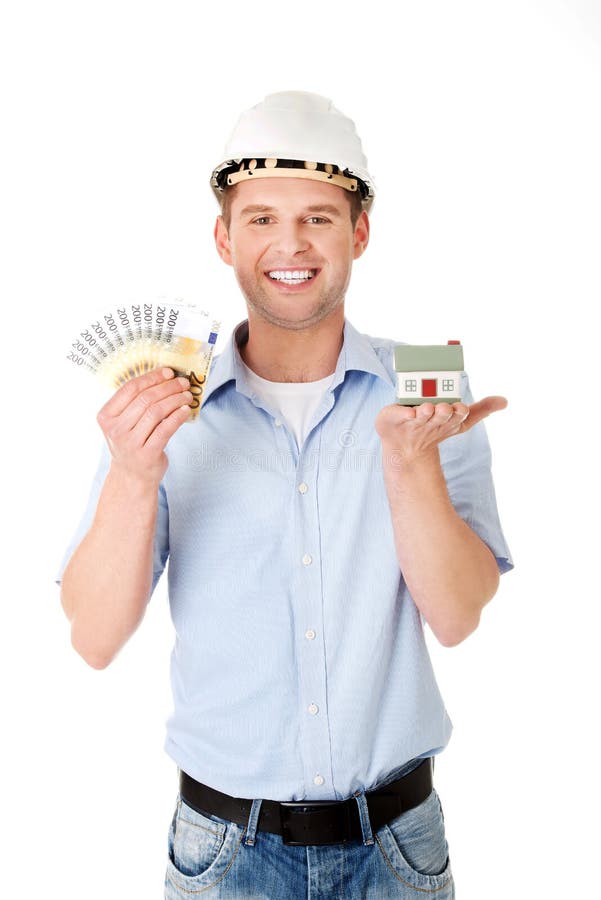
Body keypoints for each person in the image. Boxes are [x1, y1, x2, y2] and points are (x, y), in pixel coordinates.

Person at [56, 90, 513, 899]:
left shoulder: (424, 393)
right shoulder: (164, 402)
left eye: (319, 218)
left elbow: (458, 615)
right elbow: (92, 639)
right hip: (224, 852)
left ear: (358, 233)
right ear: (224, 239)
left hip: (397, 849)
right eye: (262, 218)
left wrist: (409, 465)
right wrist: (133, 476)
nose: (290, 244)